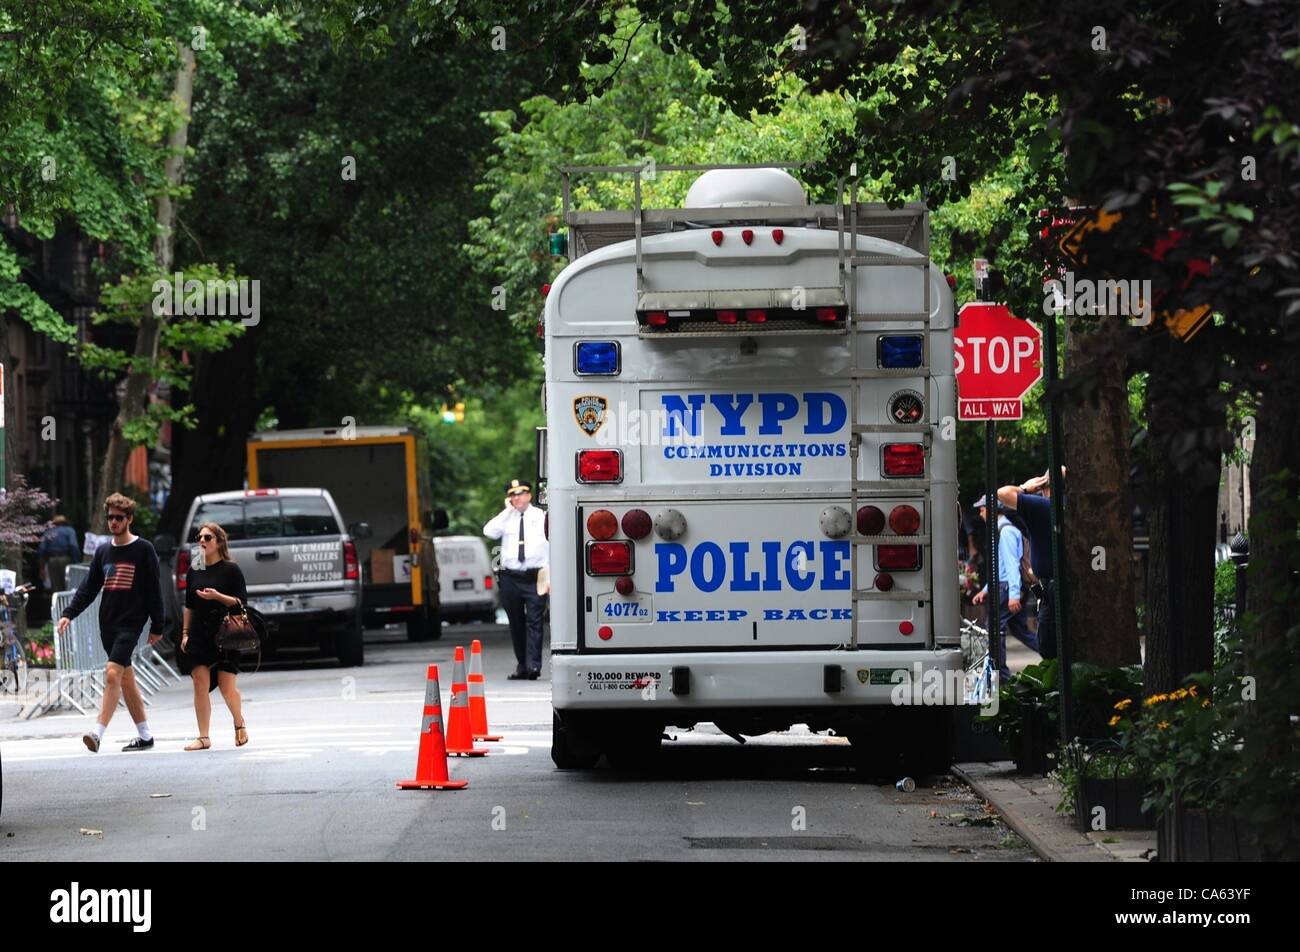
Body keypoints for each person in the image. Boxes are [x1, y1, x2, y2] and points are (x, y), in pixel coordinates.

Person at [57, 493, 164, 753]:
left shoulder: (143, 549)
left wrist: (157, 625)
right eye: (110, 518)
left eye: (119, 518)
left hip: (131, 624)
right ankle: (145, 735)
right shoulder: (103, 551)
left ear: (129, 519)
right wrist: (69, 613)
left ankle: (97, 732)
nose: (113, 522)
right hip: (108, 624)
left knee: (112, 673)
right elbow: (89, 587)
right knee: (126, 679)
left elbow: (153, 589)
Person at [177, 522, 250, 750]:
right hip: (199, 631)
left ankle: (239, 723)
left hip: (225, 632)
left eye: (207, 538)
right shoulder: (194, 569)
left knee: (227, 687)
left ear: (219, 542)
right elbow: (189, 605)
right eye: (199, 537)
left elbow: (240, 603)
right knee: (200, 682)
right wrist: (185, 633)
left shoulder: (231, 570)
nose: (202, 541)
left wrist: (218, 596)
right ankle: (203, 736)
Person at [482, 479, 548, 680]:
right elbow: (489, 532)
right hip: (511, 576)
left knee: (535, 621)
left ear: (529, 495)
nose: (517, 498)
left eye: (521, 493)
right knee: (516, 622)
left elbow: (551, 546)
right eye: (513, 495)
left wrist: (550, 575)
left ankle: (534, 666)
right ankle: (522, 665)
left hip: (536, 575)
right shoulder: (506, 518)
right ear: (509, 498)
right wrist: (507, 511)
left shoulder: (541, 516)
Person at [997, 468, 1062, 659]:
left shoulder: (1044, 507)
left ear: (1044, 487)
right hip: (1055, 587)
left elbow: (1002, 494)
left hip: (1051, 587)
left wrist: (1025, 488)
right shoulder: (1078, 508)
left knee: (1050, 648)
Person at [971, 494, 1037, 679]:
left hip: (1007, 588)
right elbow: (999, 567)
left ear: (992, 510)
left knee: (993, 629)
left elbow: (1010, 565)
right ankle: (1053, 653)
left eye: (982, 508)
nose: (980, 512)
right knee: (1020, 630)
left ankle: (1001, 677)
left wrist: (1014, 594)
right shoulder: (1002, 530)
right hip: (1005, 586)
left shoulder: (1005, 532)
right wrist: (985, 590)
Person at [38, 515, 81, 592]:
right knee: (68, 584)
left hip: (52, 560)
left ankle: (57, 603)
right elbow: (73, 546)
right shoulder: (69, 530)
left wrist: (42, 567)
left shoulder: (48, 532)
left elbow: (42, 550)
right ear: (64, 522)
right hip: (66, 559)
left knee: (55, 586)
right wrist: (76, 561)